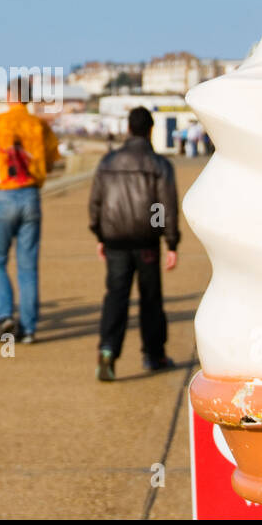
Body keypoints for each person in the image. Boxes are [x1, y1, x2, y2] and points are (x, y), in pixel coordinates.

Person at [89, 107, 180, 381]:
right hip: (146, 240)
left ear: (128, 129)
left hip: (115, 239)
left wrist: (100, 235)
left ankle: (107, 351)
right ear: (150, 130)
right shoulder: (159, 165)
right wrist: (170, 241)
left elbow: (96, 203)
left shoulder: (108, 162)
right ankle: (154, 355)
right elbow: (165, 207)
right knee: (150, 298)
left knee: (116, 296)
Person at [0, 75, 60, 344]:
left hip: (4, 196)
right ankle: (29, 328)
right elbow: (52, 159)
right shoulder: (38, 125)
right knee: (28, 265)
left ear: (10, 95)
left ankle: (4, 316)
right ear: (29, 97)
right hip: (31, 196)